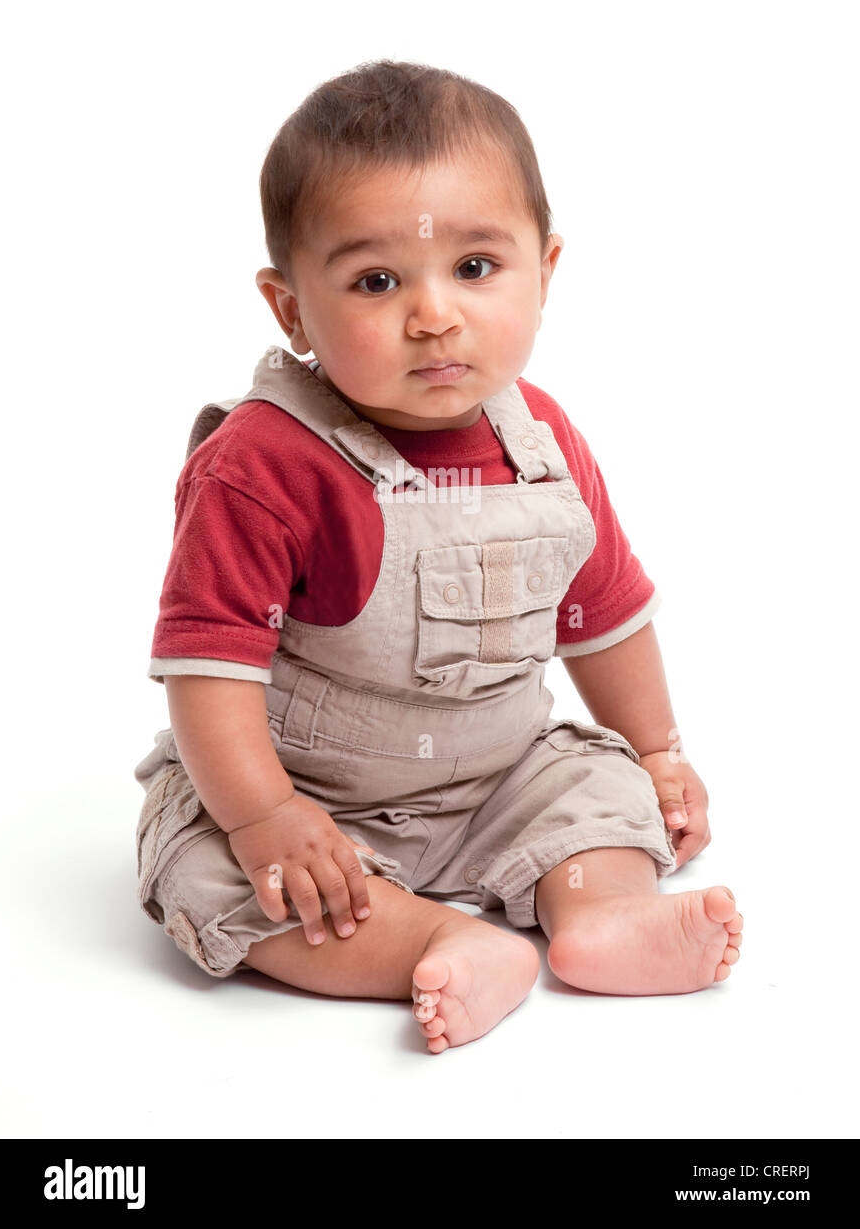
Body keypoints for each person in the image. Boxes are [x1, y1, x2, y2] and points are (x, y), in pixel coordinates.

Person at [134, 59, 743, 1054]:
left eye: (474, 266)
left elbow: (603, 614)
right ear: (289, 310)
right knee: (213, 871)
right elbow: (210, 669)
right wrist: (262, 815)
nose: (433, 314)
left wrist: (659, 751)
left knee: (593, 788)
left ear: (544, 271)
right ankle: (435, 943)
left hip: (497, 778)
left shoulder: (540, 442)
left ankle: (597, 914)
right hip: (308, 797)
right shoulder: (262, 464)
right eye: (376, 280)